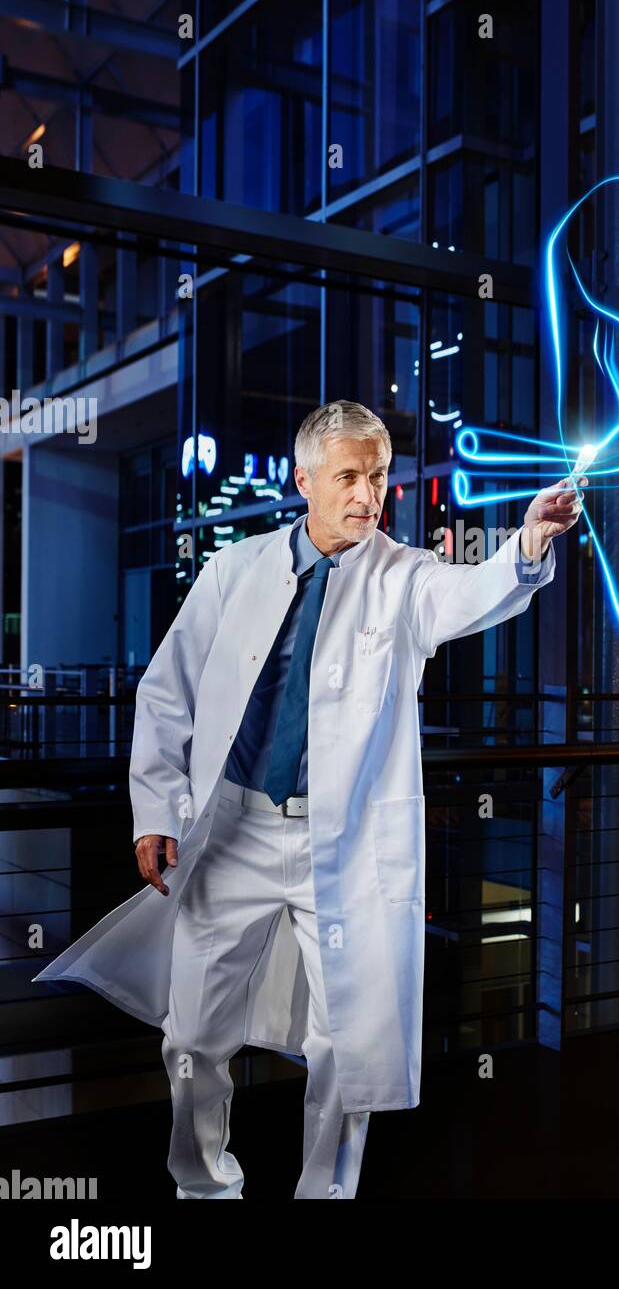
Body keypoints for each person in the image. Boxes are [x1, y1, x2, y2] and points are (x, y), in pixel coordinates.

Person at [32, 399, 584, 1199]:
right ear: (304, 481)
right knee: (191, 1035)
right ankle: (203, 1184)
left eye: (381, 476)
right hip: (234, 834)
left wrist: (528, 543)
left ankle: (324, 1196)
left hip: (345, 843)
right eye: (350, 477)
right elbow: (166, 692)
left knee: (345, 1045)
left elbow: (476, 592)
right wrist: (154, 811)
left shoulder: (402, 576)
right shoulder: (234, 570)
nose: (369, 495)